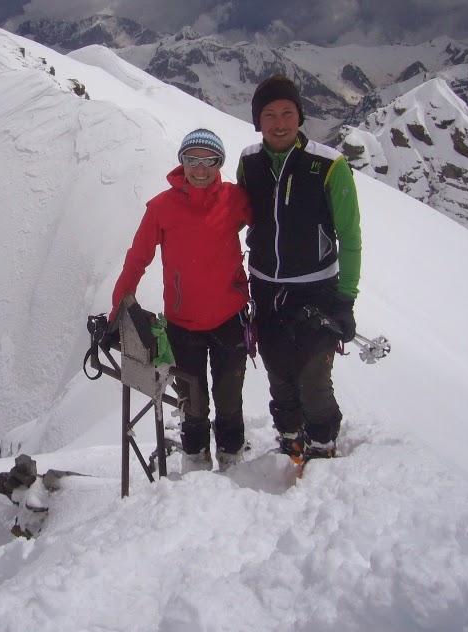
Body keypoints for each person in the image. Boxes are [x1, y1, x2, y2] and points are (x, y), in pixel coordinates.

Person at [236, 75, 362, 462]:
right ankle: (290, 437)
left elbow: (350, 236)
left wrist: (346, 299)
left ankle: (321, 443)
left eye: (287, 113)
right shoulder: (249, 162)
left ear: (299, 116)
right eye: (269, 114)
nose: (278, 123)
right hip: (265, 289)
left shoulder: (328, 165)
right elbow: (239, 217)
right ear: (258, 120)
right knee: (279, 375)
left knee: (313, 377)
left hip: (316, 290)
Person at [111, 128, 251, 472]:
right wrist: (117, 312)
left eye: (209, 161)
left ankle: (232, 455)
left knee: (229, 395)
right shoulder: (161, 207)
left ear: (220, 163)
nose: (200, 169)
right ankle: (195, 457)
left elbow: (269, 235)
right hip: (183, 322)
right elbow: (137, 259)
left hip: (230, 316)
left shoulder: (236, 199)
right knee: (194, 401)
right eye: (192, 160)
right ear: (182, 162)